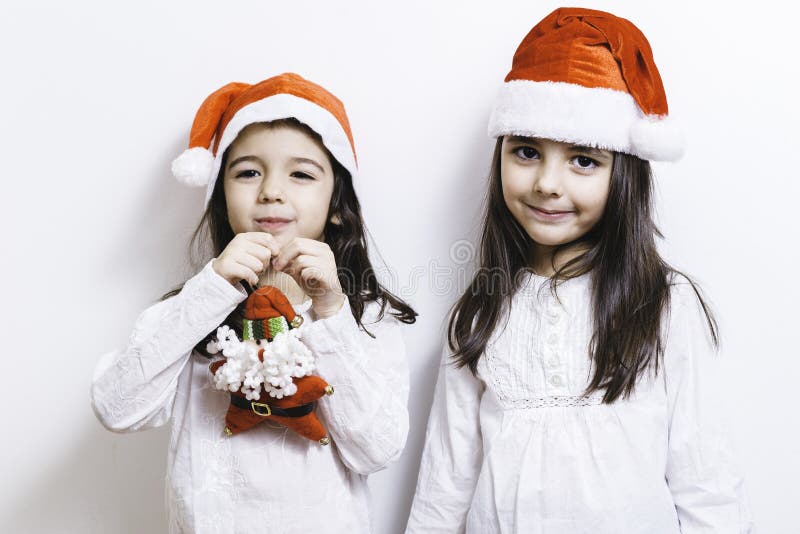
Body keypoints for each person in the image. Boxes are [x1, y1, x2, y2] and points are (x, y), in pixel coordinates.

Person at [406, 7, 753, 533]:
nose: (548, 182)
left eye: (583, 160)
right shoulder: (478, 316)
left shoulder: (664, 304)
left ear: (624, 174)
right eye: (526, 151)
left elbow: (705, 479)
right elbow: (443, 487)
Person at [91, 72, 417, 533]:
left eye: (301, 173)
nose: (271, 191)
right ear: (221, 197)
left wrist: (330, 313)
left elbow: (378, 451)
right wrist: (211, 290)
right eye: (248, 172)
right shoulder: (192, 313)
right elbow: (117, 409)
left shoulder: (367, 319)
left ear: (339, 204)